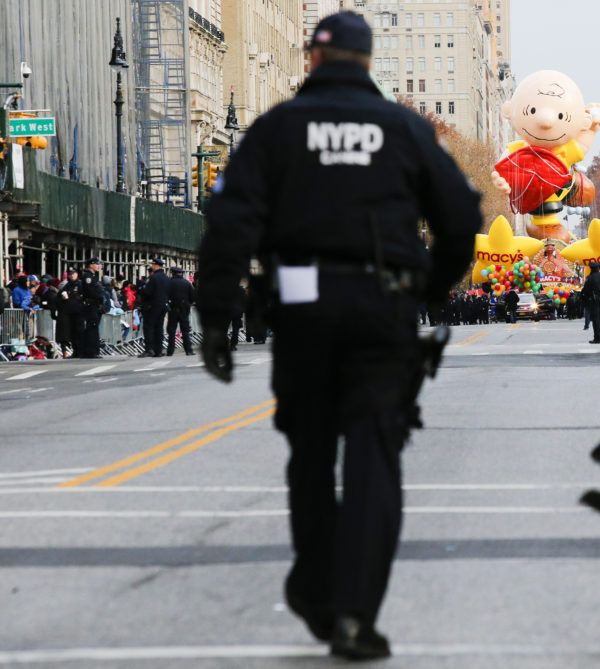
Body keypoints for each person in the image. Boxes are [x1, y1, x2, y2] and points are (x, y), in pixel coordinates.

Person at [196, 11, 481, 661]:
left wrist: (216, 316)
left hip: (302, 309)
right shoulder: (405, 128)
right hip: (383, 309)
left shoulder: (276, 130)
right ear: (368, 60)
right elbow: (461, 215)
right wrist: (433, 287)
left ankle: (319, 590)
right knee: (376, 456)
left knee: (311, 455)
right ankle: (356, 613)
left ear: (313, 60)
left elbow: (231, 221)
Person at [137, 258, 170, 357]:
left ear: (156, 266)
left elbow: (147, 292)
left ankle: (149, 349)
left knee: (149, 327)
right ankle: (158, 350)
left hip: (152, 306)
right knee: (159, 328)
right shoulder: (166, 278)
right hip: (163, 306)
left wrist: (140, 290)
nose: (152, 266)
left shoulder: (153, 278)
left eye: (153, 265)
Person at [165, 266, 196, 356]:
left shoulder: (169, 283)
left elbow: (166, 295)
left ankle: (170, 351)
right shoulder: (187, 283)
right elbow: (192, 297)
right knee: (185, 331)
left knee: (171, 331)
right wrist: (187, 304)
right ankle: (188, 350)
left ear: (173, 273)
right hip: (184, 310)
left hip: (173, 309)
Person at [581, 261, 600, 343]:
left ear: (591, 268)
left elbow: (586, 290)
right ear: (598, 268)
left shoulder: (590, 277)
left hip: (595, 300)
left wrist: (584, 297)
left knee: (596, 319)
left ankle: (598, 338)